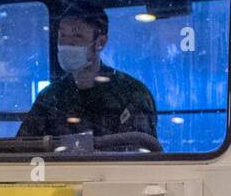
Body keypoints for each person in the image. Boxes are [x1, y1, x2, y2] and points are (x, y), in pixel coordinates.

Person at [17, 12, 158, 143]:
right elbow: (25, 147)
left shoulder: (130, 93)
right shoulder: (50, 97)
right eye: (62, 36)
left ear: (100, 42)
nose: (67, 43)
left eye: (77, 36)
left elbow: (138, 155)